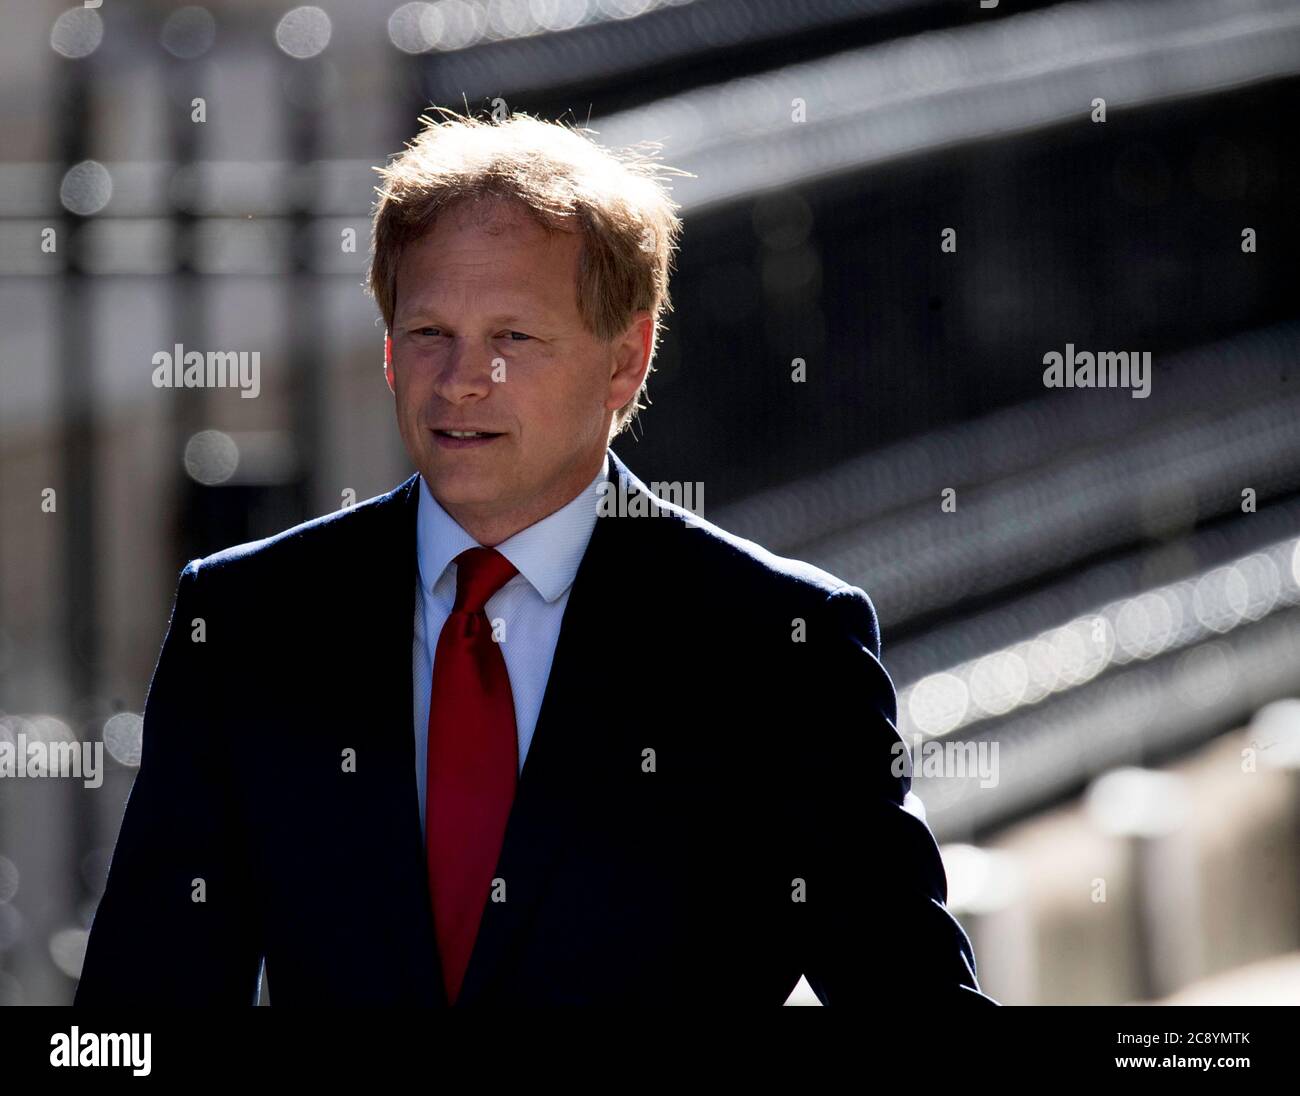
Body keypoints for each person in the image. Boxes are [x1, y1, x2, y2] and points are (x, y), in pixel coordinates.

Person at [75, 109, 996, 1006]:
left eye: (513, 338)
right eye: (429, 332)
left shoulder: (777, 646)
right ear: (391, 354)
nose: (461, 379)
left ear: (625, 363)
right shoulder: (248, 623)